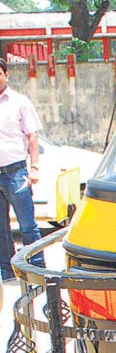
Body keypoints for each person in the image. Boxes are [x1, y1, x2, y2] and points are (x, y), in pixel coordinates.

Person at [0, 57, 44, 282]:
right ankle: (7, 275)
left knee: (28, 226)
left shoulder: (19, 102)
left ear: (6, 75)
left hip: (16, 173)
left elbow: (32, 136)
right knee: (1, 230)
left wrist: (34, 168)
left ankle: (37, 272)